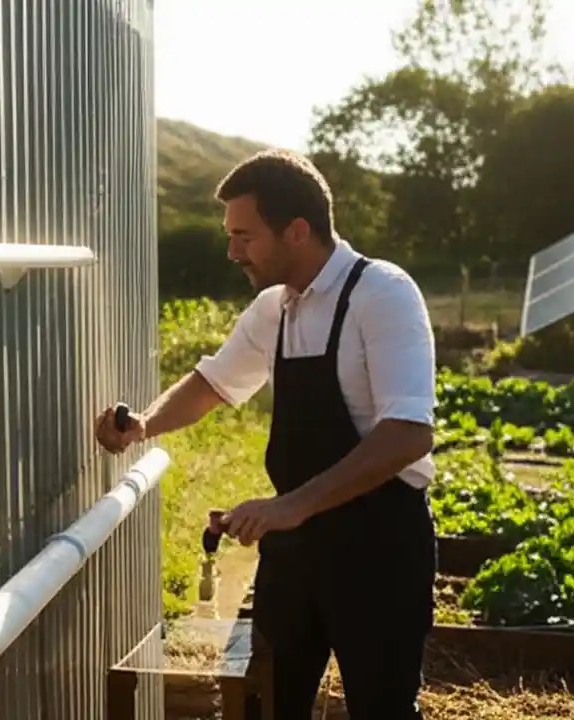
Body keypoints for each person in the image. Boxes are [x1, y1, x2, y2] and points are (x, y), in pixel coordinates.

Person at [94, 148, 437, 719]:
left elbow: (407, 434)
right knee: (268, 705)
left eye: (244, 236)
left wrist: (291, 506)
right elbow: (212, 382)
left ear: (297, 231)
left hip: (379, 548)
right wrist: (144, 426)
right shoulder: (273, 309)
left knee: (383, 708)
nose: (232, 251)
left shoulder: (382, 295)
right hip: (296, 554)